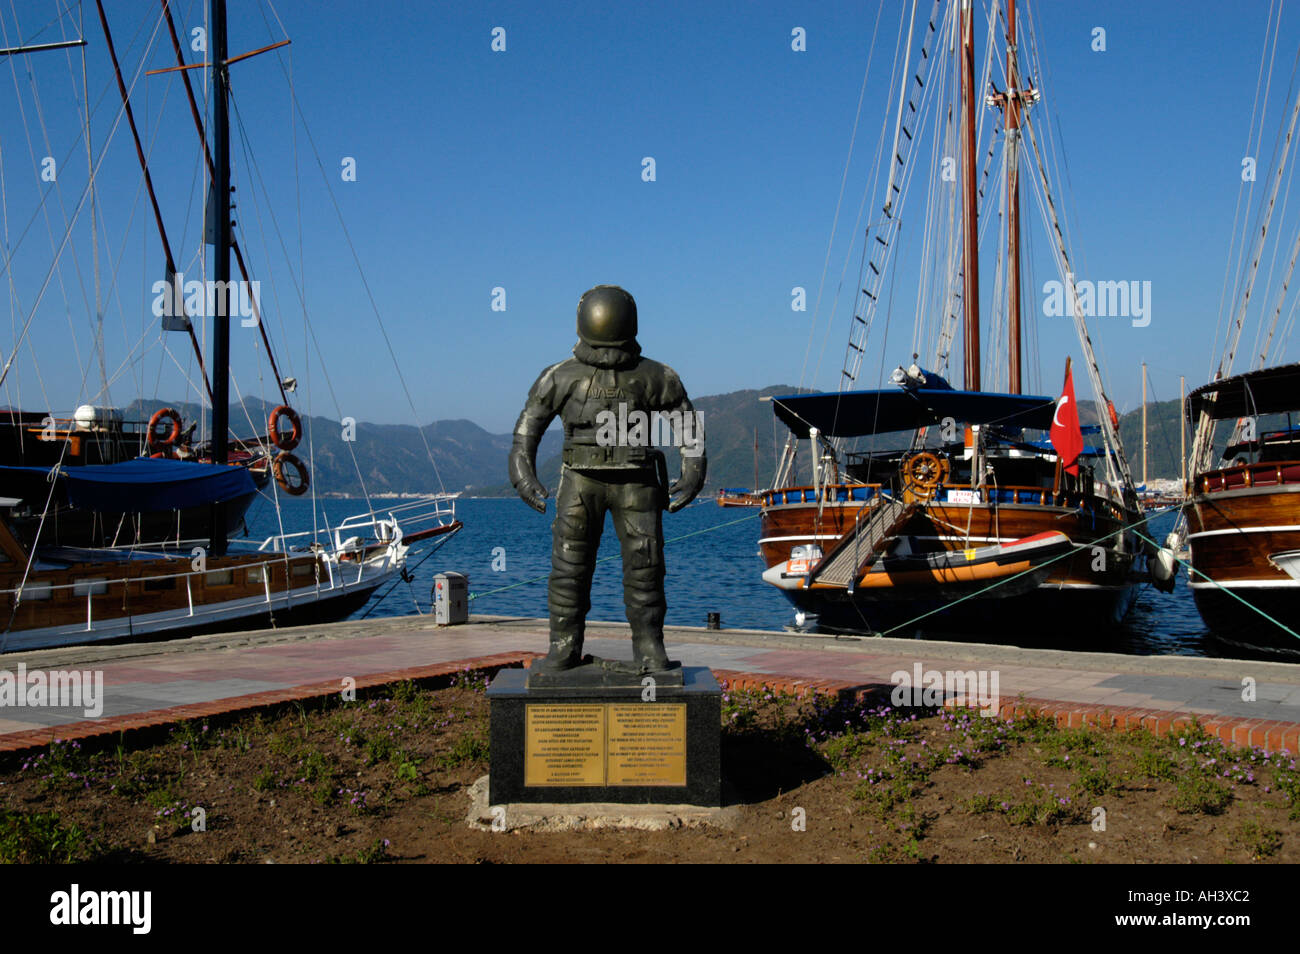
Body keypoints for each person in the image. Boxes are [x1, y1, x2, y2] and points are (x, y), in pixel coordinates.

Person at [508, 284, 706, 672]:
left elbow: (525, 433)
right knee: (600, 566)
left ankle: (635, 645)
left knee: (618, 566)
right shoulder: (651, 374)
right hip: (603, 483)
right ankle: (571, 644)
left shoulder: (564, 376)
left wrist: (523, 472)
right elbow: (687, 429)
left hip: (618, 482)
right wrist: (692, 470)